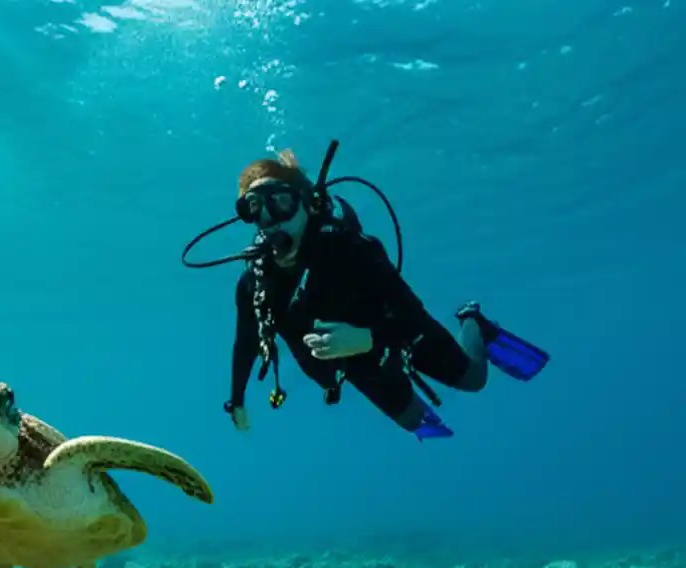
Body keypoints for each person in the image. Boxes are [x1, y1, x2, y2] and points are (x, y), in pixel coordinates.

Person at [181, 140, 550, 440]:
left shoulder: (351, 249)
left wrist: (368, 338)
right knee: (415, 422)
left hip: (395, 331)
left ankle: (473, 322)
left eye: (279, 201)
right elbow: (246, 340)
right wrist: (236, 399)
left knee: (473, 380)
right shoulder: (254, 283)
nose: (269, 219)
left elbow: (411, 311)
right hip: (355, 366)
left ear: (306, 202)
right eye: (254, 208)